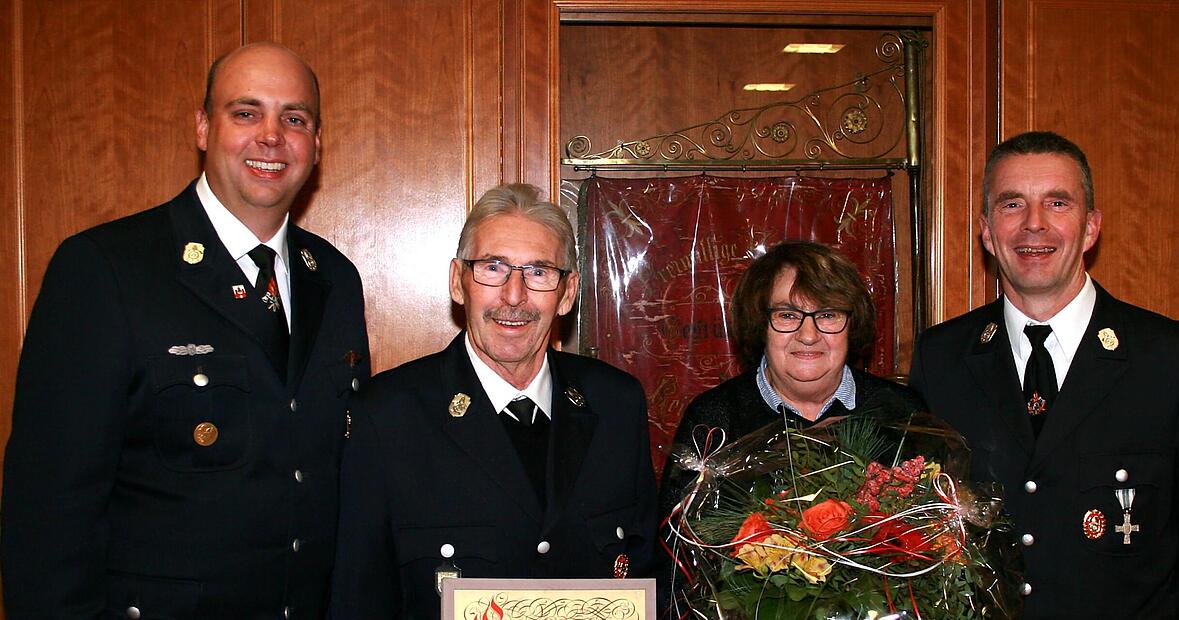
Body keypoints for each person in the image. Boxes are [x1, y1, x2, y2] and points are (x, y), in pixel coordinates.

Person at [1, 43, 370, 619]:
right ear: (203, 127)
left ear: (317, 144)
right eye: (245, 113)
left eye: (294, 119)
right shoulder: (107, 269)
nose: (271, 136)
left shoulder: (336, 280)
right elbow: (49, 510)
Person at [910, 131, 1179, 618]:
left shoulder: (1174, 361)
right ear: (985, 230)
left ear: (1090, 228)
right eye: (1011, 204)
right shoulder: (940, 359)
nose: (1033, 225)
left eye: (1057, 203)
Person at [329, 183, 659, 619]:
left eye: (539, 272)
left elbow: (645, 572)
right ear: (458, 282)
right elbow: (359, 597)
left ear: (568, 293)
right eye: (493, 267)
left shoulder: (616, 403)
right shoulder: (388, 414)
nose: (514, 296)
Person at [659, 240, 924, 523]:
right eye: (787, 315)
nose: (808, 335)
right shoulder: (714, 420)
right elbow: (676, 548)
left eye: (828, 315)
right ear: (760, 324)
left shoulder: (902, 412)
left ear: (852, 324)